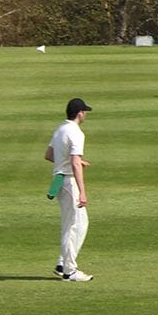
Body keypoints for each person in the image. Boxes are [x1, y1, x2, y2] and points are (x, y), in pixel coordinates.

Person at [45, 97, 94, 282]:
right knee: (72, 226)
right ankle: (69, 272)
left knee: (81, 223)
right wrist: (82, 191)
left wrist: (73, 161)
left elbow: (49, 155)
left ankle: (62, 263)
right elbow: (74, 162)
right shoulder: (76, 132)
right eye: (84, 112)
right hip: (67, 182)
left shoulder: (60, 129)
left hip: (59, 179)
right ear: (80, 113)